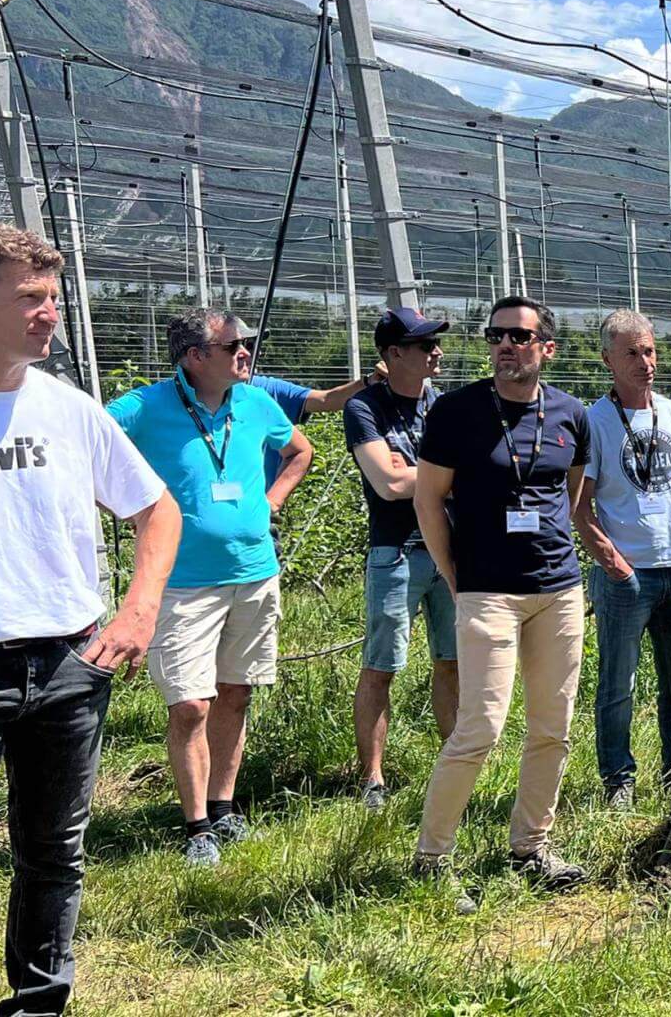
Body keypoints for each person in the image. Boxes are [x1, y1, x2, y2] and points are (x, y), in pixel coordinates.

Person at [0, 223, 181, 1017]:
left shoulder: (68, 409)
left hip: (70, 665)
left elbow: (156, 510)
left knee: (54, 856)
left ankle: (38, 1006)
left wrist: (138, 614)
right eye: (29, 298)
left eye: (54, 298)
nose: (50, 314)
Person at [107, 308, 313, 867]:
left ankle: (224, 808)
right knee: (191, 705)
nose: (246, 353)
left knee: (237, 692)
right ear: (196, 357)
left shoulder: (254, 402)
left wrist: (269, 504)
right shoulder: (146, 407)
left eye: (246, 343)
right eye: (234, 346)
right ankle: (196, 825)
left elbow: (300, 451)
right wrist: (128, 510)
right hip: (182, 584)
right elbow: (89, 445)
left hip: (254, 573)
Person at [412, 295, 592, 894]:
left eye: (520, 336)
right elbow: (428, 499)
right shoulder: (458, 413)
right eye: (496, 336)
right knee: (480, 726)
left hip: (558, 591)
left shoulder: (571, 414)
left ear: (547, 348)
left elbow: (568, 496)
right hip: (485, 591)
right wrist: (453, 573)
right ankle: (432, 859)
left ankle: (531, 847)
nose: (506, 346)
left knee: (553, 725)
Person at [573, 309, 671, 810]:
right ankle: (618, 780)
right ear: (608, 359)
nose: (645, 361)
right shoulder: (594, 422)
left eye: (649, 350)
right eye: (632, 352)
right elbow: (579, 504)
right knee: (618, 684)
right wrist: (614, 563)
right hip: (625, 576)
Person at [343, 308, 458, 810]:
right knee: (381, 665)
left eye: (435, 342)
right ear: (393, 355)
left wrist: (415, 470)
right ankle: (372, 780)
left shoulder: (447, 407)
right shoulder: (364, 408)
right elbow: (387, 485)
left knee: (453, 662)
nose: (435, 351)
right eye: (423, 344)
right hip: (396, 554)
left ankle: (456, 766)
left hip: (451, 549)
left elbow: (407, 474)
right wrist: (448, 472)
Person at [243, 354, 382, 486]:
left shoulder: (266, 390)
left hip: (256, 507)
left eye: (255, 345)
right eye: (239, 344)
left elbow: (326, 399)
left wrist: (369, 381)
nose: (256, 352)